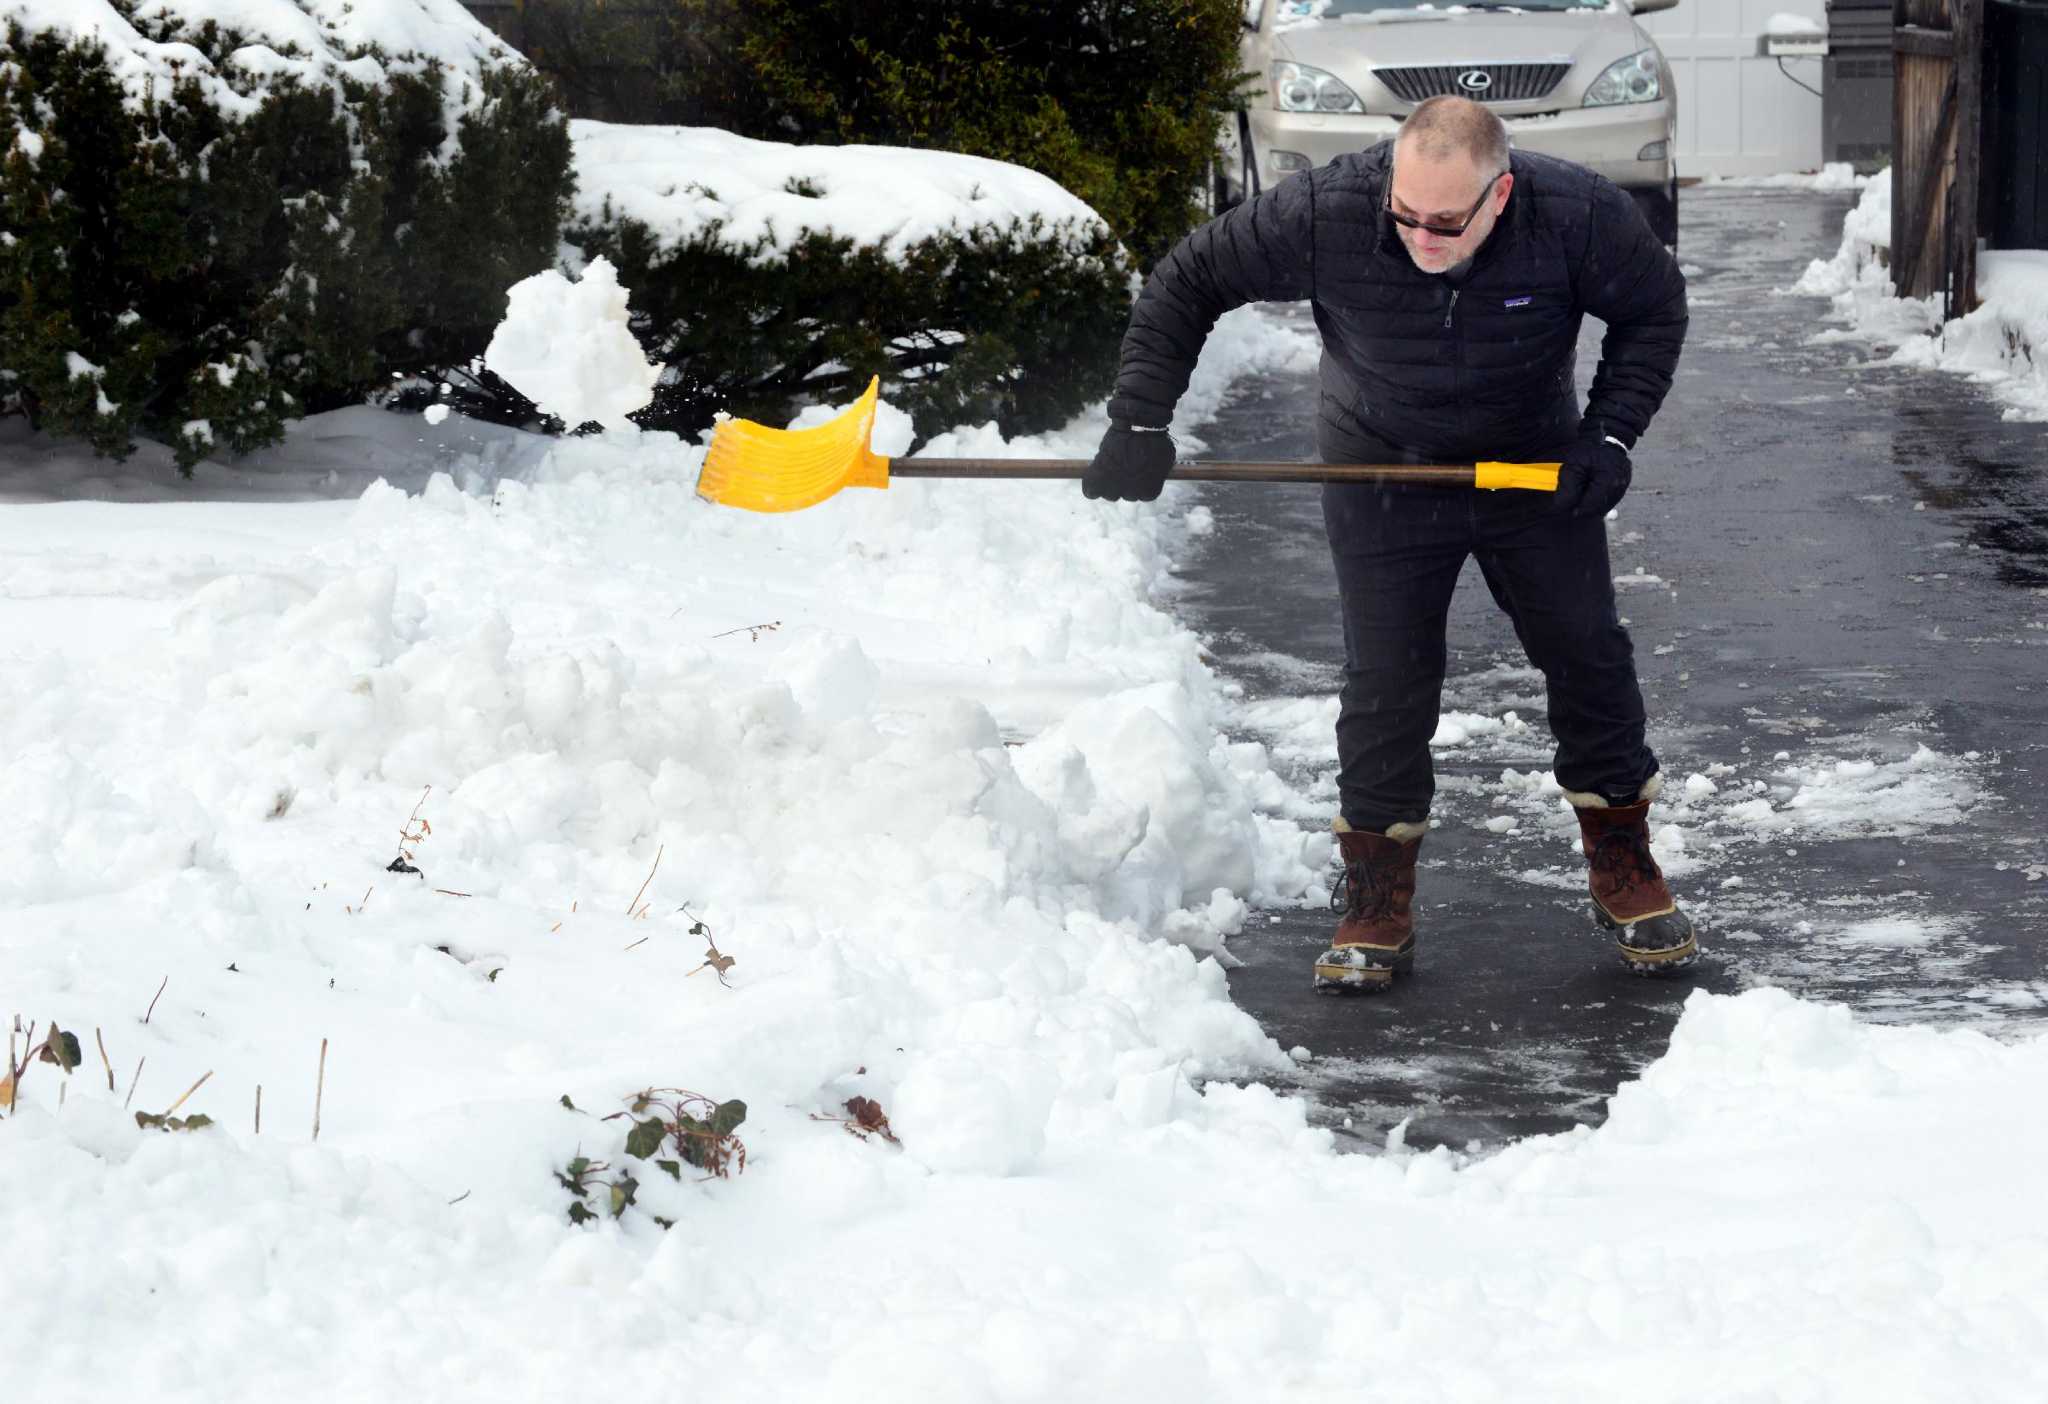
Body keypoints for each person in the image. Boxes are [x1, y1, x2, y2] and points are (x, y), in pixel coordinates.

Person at [1084, 96, 1694, 992]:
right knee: (1386, 677)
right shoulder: (1328, 210)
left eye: (1445, 222)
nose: (1420, 238)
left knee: (1587, 651)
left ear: (1500, 194)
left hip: (1530, 464)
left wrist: (1607, 436)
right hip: (1380, 464)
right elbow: (1191, 277)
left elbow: (1654, 310)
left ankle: (1623, 859)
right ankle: (1377, 894)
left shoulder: (1577, 214)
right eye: (1405, 214)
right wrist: (1140, 419)